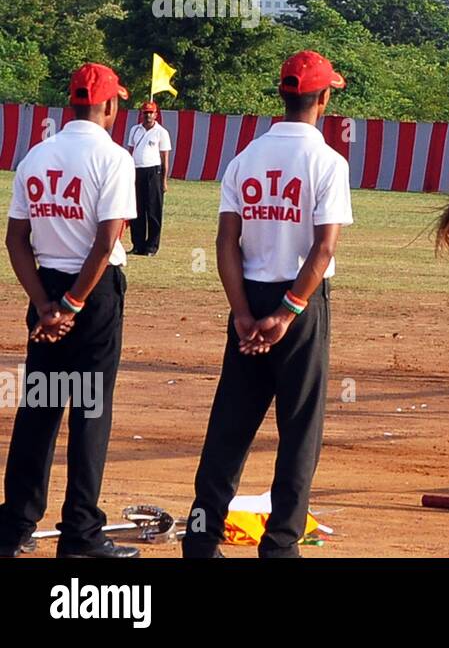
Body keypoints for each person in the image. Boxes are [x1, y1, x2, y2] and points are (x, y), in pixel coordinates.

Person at [182, 50, 352, 558]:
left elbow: (224, 243)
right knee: (299, 431)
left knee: (229, 427)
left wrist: (242, 313)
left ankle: (201, 537)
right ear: (323, 99)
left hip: (248, 298)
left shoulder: (245, 158)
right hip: (298, 305)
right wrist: (288, 310)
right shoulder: (328, 162)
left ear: (282, 95)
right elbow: (324, 247)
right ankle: (280, 545)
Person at [0, 63, 139, 558]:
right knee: (89, 411)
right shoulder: (115, 158)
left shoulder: (37, 156)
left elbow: (16, 240)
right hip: (92, 294)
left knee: (39, 406)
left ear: (70, 103)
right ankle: (80, 530)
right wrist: (73, 305)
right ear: (109, 105)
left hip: (45, 288)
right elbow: (107, 242)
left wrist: (44, 305)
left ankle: (15, 523)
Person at [126, 100, 171, 255]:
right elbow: (130, 151)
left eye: (151, 112)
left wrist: (164, 180)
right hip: (137, 171)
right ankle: (137, 245)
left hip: (153, 172)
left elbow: (165, 157)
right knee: (136, 209)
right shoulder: (135, 130)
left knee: (153, 210)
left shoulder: (161, 132)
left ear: (156, 114)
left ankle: (152, 246)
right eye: (145, 113)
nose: (148, 115)